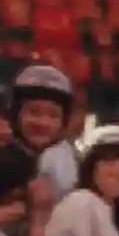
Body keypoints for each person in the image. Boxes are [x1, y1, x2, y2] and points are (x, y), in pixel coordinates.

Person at [10, 65, 79, 199]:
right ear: (16, 114)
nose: (42, 123)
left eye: (53, 115)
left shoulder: (77, 169)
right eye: (33, 112)